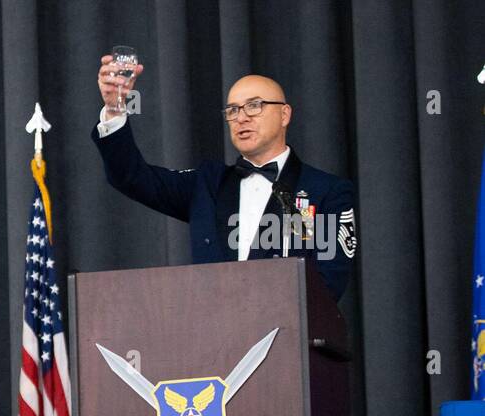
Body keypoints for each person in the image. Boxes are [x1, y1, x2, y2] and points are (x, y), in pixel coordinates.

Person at [91, 58, 356, 300]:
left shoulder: (325, 191)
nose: (241, 118)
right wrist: (115, 110)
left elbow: (328, 285)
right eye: (232, 110)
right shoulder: (207, 185)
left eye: (254, 106)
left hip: (288, 341)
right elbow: (132, 177)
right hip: (215, 340)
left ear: (284, 115)